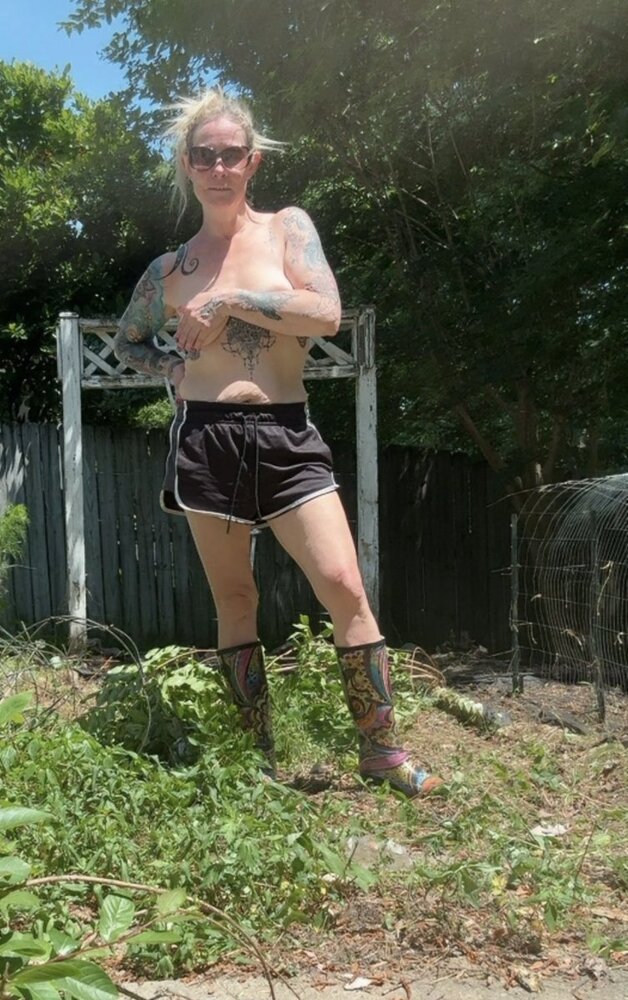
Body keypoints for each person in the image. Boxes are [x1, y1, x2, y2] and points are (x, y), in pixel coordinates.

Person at [114, 88, 441, 798]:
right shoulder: (170, 270)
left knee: (344, 584)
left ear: (252, 161)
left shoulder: (289, 229)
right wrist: (174, 370)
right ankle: (254, 755)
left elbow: (324, 312)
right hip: (206, 440)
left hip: (288, 436)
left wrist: (232, 301)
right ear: (187, 163)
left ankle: (381, 749)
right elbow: (130, 339)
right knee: (236, 597)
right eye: (204, 155)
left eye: (231, 154)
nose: (218, 167)